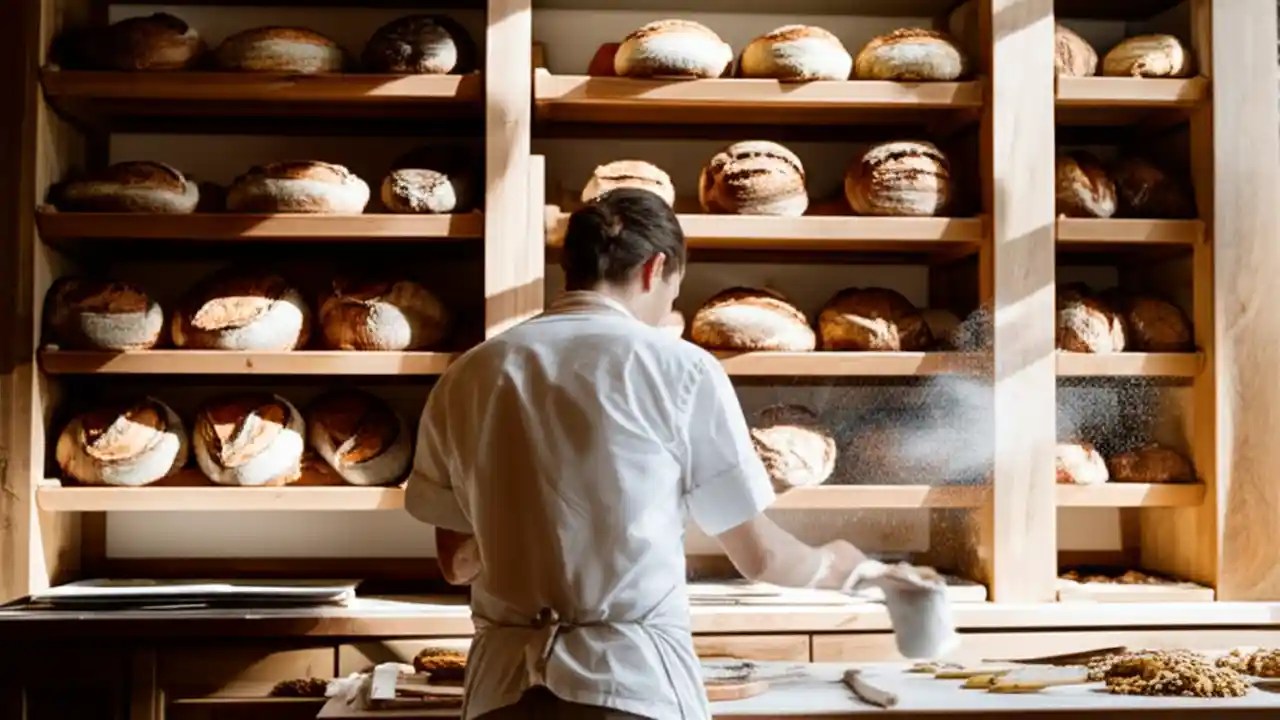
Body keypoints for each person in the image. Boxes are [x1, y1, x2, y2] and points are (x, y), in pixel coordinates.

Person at [405, 188, 892, 720]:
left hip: (505, 693)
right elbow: (761, 557)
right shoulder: (680, 368)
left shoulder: (469, 374)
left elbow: (456, 563)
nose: (670, 308)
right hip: (628, 686)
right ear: (655, 268)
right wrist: (840, 565)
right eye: (673, 291)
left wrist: (531, 538)